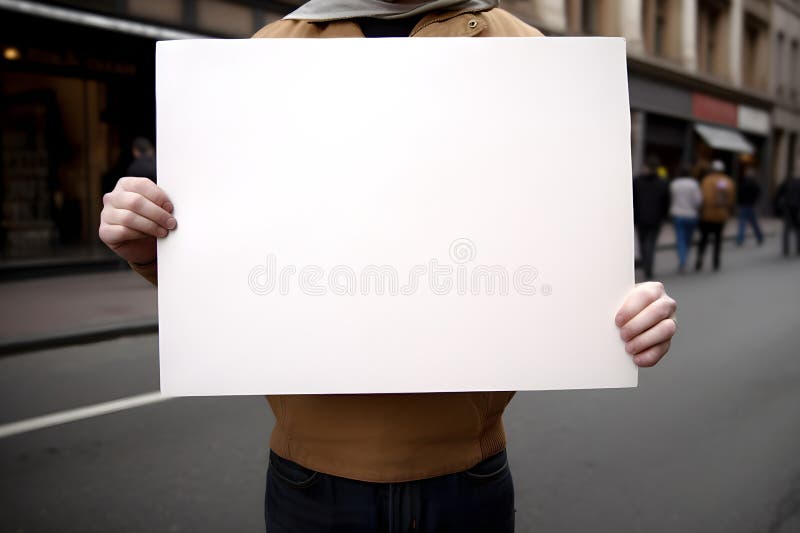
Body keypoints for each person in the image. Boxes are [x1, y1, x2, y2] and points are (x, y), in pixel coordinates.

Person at [99, 3, 679, 532]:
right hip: (312, 483)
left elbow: (567, 240)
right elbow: (233, 268)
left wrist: (625, 313)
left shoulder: (534, 61)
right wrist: (151, 245)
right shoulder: (262, 60)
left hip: (466, 477)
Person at [633, 157, 670, 279]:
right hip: (656, 218)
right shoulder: (662, 183)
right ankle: (648, 266)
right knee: (651, 243)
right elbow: (666, 202)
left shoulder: (637, 181)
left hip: (640, 217)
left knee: (643, 243)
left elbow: (633, 200)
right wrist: (664, 216)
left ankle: (646, 264)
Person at [695, 160, 736, 272]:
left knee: (703, 239)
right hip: (721, 215)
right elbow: (731, 199)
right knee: (717, 240)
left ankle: (699, 260)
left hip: (706, 215)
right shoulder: (727, 181)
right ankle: (716, 262)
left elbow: (701, 198)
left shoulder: (706, 181)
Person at [669, 165, 702, 273]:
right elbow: (698, 201)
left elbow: (671, 198)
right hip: (691, 215)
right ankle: (684, 258)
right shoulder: (694, 184)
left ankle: (682, 260)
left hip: (678, 214)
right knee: (688, 239)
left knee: (680, 238)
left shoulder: (674, 184)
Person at [736, 166, 764, 246]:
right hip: (750, 205)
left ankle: (740, 239)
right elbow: (758, 194)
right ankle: (759, 237)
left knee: (742, 223)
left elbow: (739, 194)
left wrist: (739, 202)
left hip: (744, 205)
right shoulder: (754, 184)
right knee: (754, 223)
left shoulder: (743, 184)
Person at [776, 174, 800, 256]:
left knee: (786, 230)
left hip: (787, 209)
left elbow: (778, 196)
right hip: (796, 209)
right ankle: (798, 248)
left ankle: (786, 249)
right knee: (797, 229)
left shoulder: (785, 184)